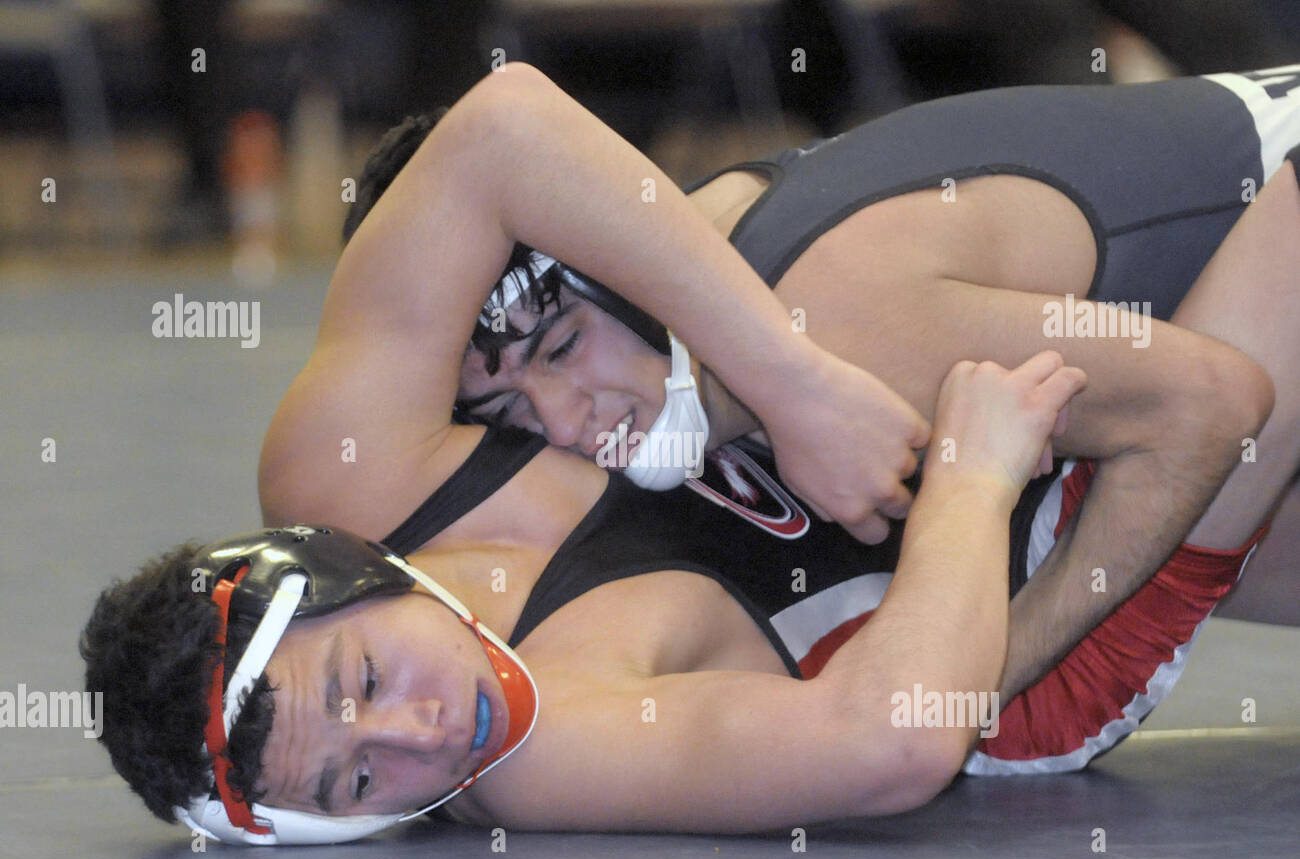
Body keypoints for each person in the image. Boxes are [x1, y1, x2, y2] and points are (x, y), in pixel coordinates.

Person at [81, 64, 1287, 842]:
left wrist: (795, 386)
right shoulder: (539, 752)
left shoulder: (349, 477)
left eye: (362, 687)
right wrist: (968, 489)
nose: (420, 737)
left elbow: (502, 129)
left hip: (1028, 475)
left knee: (816, 300)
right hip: (1022, 608)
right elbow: (900, 736)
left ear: (336, 574)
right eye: (357, 788)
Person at [344, 63, 1300, 685]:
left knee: (1113, 531)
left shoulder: (826, 319)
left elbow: (1213, 405)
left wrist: (989, 678)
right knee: (1124, 521)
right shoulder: (716, 253)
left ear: (617, 261)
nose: (559, 421)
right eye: (506, 404)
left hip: (1255, 280)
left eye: (557, 350)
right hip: (1222, 312)